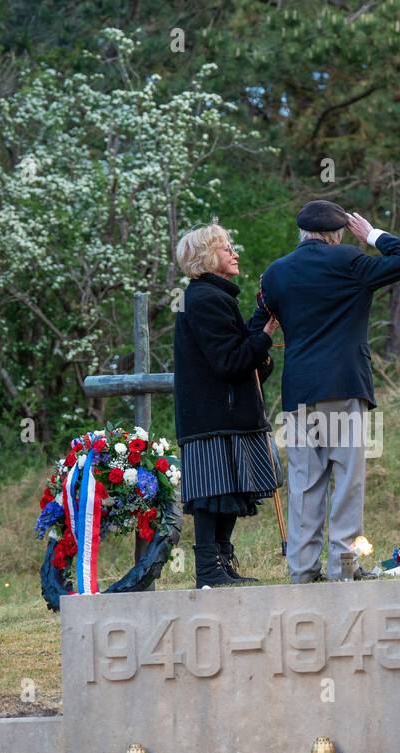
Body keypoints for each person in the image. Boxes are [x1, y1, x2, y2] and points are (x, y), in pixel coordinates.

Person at [249, 201, 400, 583]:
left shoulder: (275, 274)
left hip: (299, 392)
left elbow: (257, 328)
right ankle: (344, 568)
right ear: (337, 234)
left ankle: (301, 570)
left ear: (302, 233)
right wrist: (373, 234)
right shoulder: (350, 261)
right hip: (345, 385)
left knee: (304, 482)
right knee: (346, 479)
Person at [173, 221, 281, 587]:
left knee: (230, 491)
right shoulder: (205, 299)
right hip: (214, 417)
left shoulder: (216, 297)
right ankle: (208, 569)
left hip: (227, 414)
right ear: (205, 258)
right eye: (225, 248)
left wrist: (259, 349)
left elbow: (243, 365)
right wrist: (264, 336)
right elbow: (229, 362)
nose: (234, 253)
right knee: (213, 492)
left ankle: (221, 563)